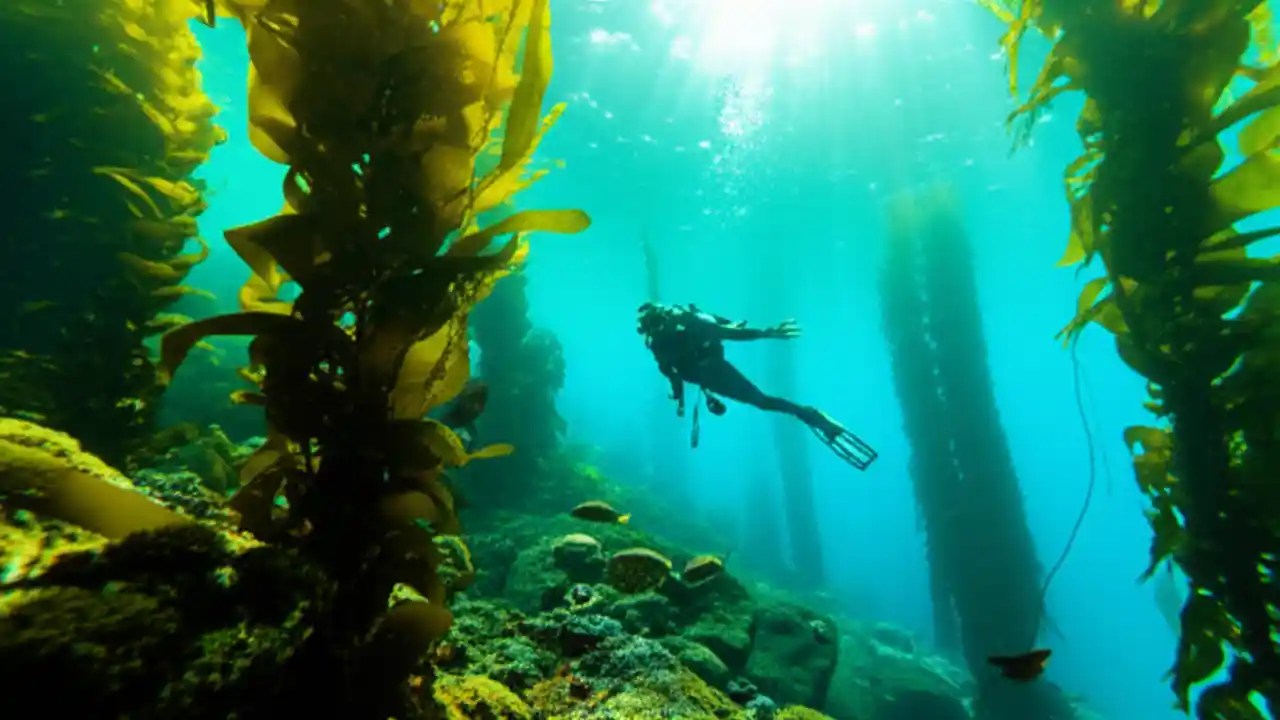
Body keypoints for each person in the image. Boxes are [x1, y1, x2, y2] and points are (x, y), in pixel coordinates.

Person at [636, 302, 878, 470]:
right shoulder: (667, 337)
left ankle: (809, 415)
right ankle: (809, 415)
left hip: (713, 374)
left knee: (763, 402)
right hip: (712, 375)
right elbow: (676, 370)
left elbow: (719, 337)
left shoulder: (674, 332)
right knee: (763, 402)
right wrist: (678, 397)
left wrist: (766, 333)